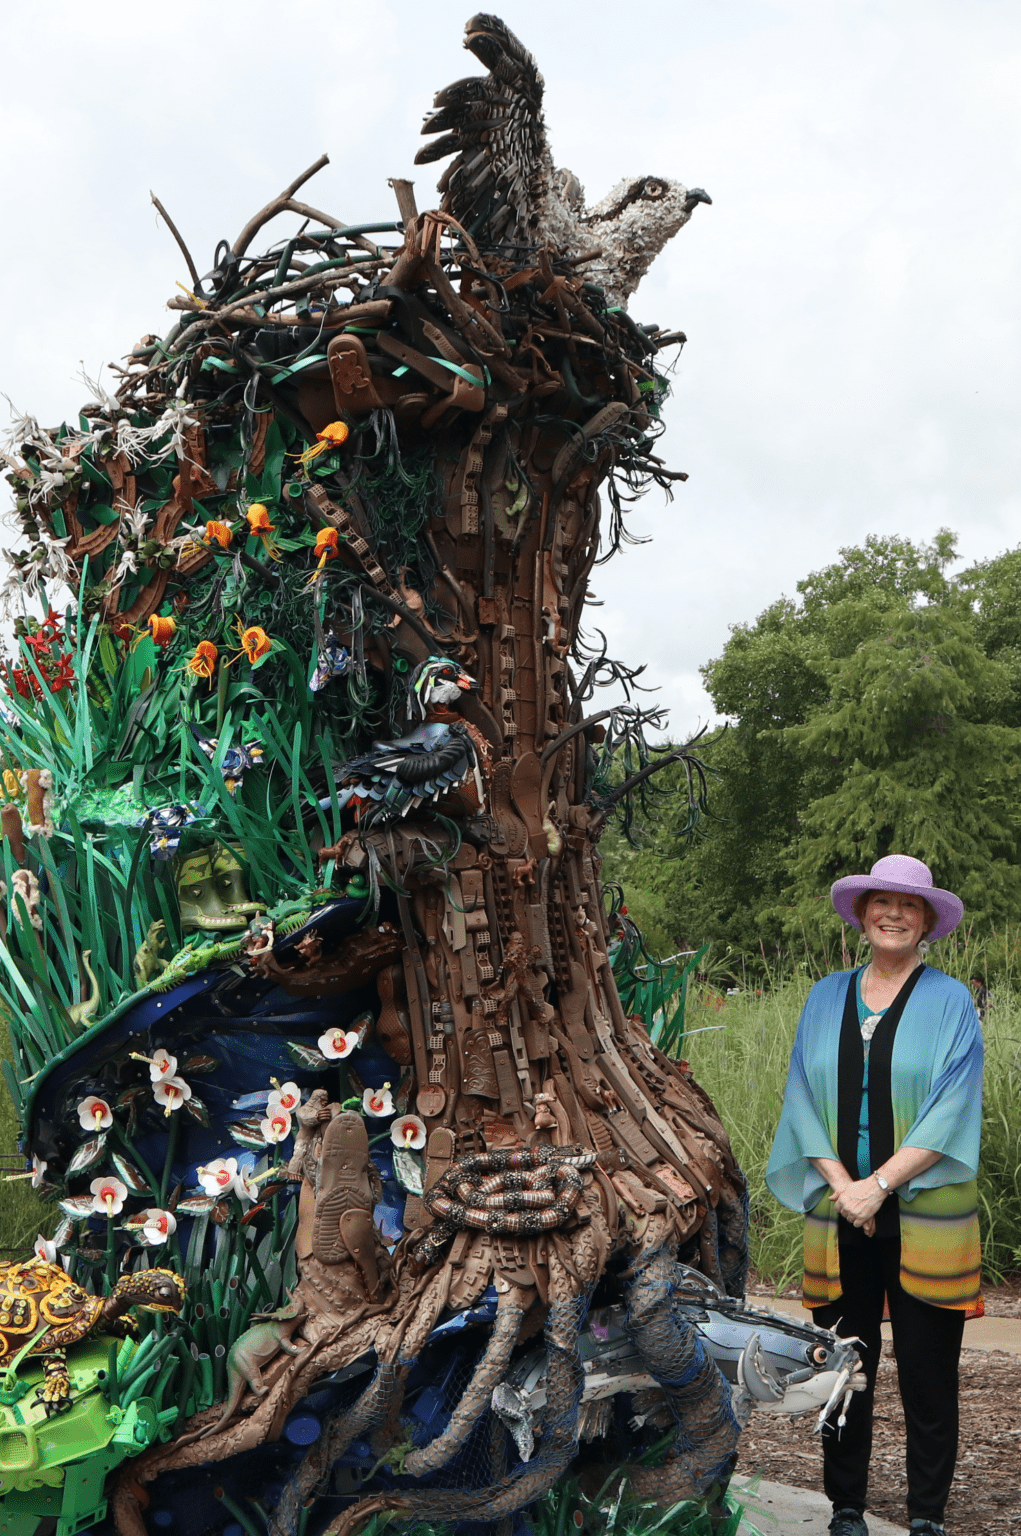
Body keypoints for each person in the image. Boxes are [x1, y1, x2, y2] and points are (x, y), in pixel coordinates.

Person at [766, 855, 983, 1536]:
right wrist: (845, 1187)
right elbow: (801, 1096)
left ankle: (926, 1515)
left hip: (925, 1213)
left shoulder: (950, 1001)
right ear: (861, 916)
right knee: (843, 1365)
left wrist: (880, 1185)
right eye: (881, 903)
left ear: (927, 922)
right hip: (839, 1213)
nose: (893, 914)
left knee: (927, 1370)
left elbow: (952, 1107)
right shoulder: (824, 996)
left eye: (908, 905)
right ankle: (845, 1507)